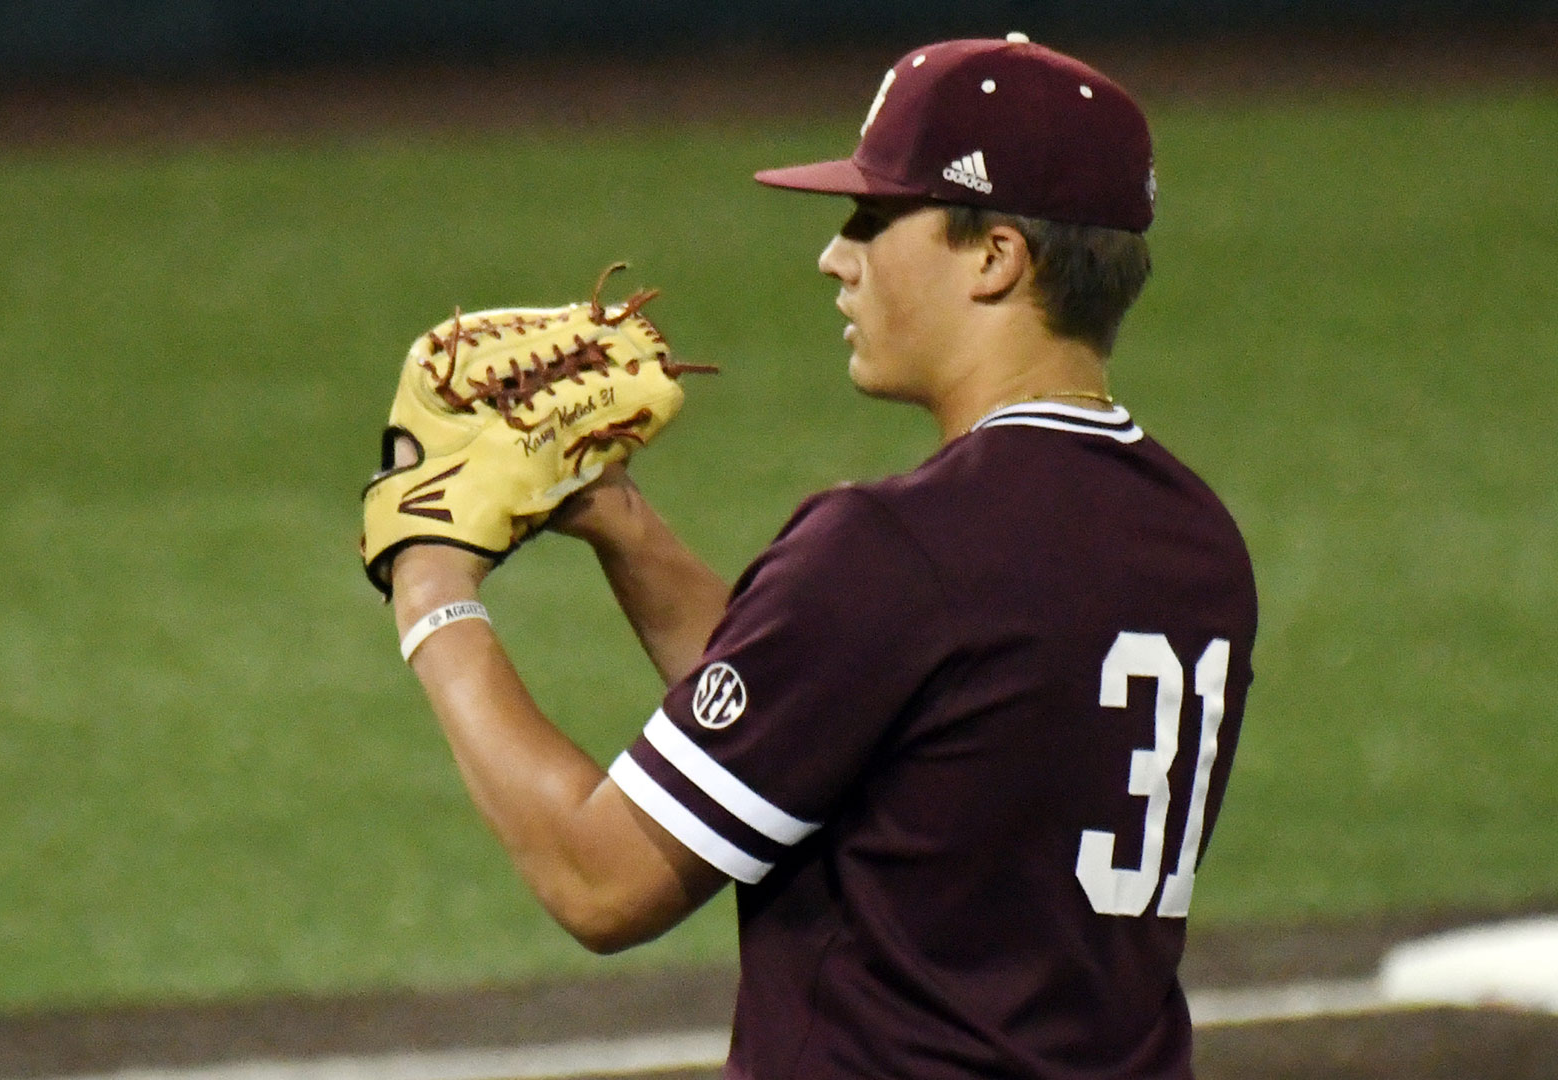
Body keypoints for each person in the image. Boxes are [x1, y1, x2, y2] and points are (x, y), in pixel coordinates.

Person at [382, 35, 1257, 1080]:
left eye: (873, 220)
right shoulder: (1196, 539)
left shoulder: (900, 551)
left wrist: (428, 581)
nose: (835, 258)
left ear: (997, 256)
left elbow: (597, 882)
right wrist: (624, 527)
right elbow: (852, 721)